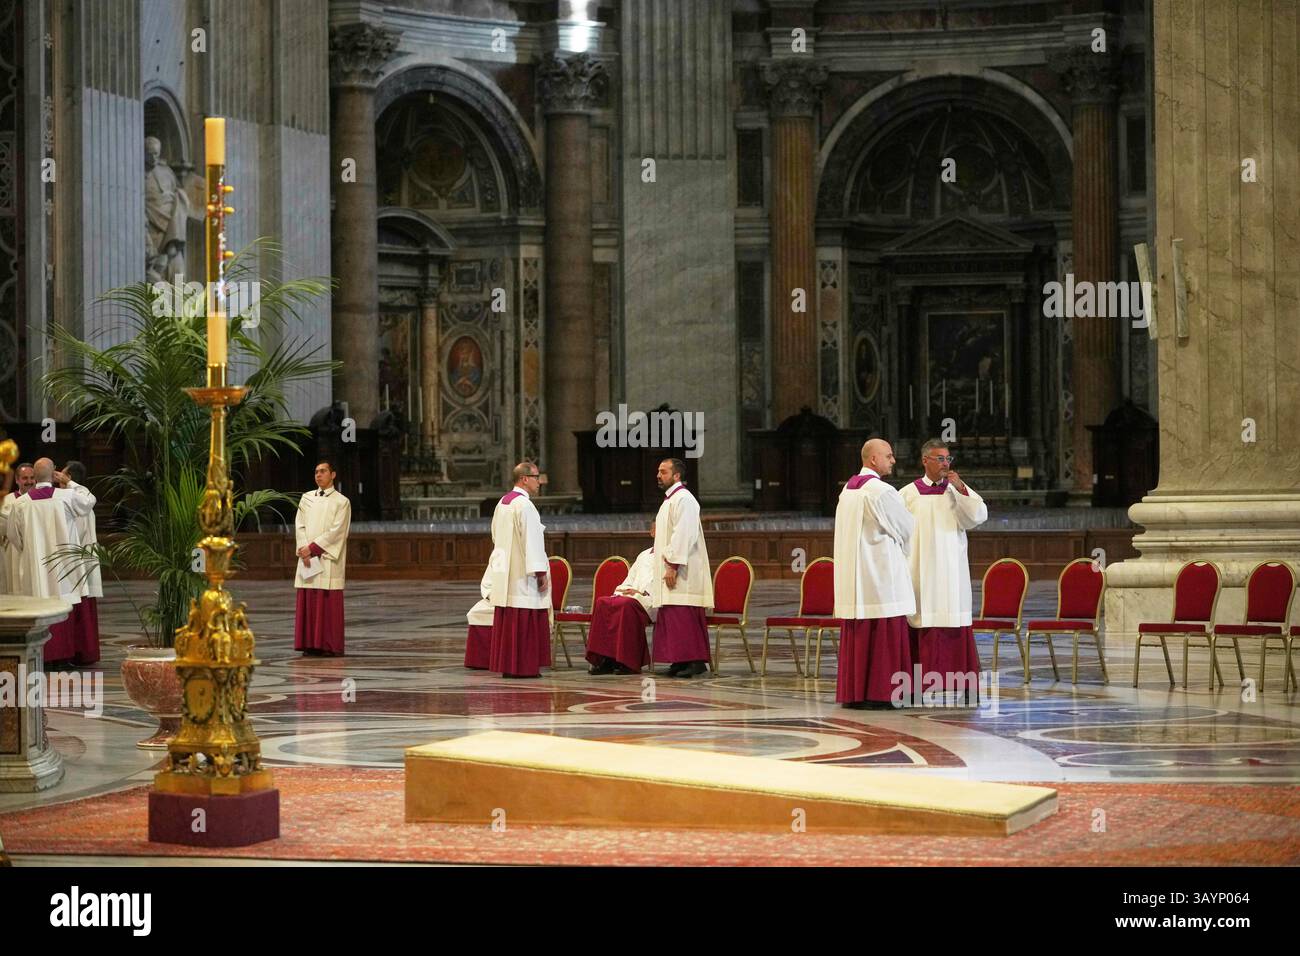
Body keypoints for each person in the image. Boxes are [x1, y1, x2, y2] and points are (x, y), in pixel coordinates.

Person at [900, 440, 988, 701]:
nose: (945, 464)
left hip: (951, 571)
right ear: (925, 460)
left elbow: (978, 516)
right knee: (921, 618)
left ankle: (959, 681)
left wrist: (960, 488)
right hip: (919, 569)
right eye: (940, 459)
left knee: (951, 619)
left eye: (948, 459)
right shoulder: (907, 494)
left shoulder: (956, 491)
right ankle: (919, 682)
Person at [833, 439, 916, 710]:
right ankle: (882, 693)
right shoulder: (881, 491)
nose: (893, 461)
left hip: (856, 578)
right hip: (880, 576)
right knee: (884, 633)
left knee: (860, 633)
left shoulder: (848, 489)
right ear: (873, 460)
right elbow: (906, 527)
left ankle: (856, 693)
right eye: (889, 456)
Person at [8, 459, 99, 666]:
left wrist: (31, 551)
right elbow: (89, 500)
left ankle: (42, 657)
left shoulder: (21, 503)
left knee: (40, 606)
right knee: (63, 605)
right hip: (64, 568)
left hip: (36, 568)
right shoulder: (66, 497)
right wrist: (70, 482)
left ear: (35, 476)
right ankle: (63, 657)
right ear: (53, 474)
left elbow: (14, 537)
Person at [486, 462, 551, 678]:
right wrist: (540, 572)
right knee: (524, 618)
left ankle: (510, 666)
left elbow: (495, 536)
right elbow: (531, 541)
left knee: (510, 619)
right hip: (523, 574)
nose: (539, 481)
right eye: (536, 476)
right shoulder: (524, 505)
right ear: (524, 478)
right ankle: (524, 667)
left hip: (506, 573)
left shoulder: (502, 503)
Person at [650, 458, 713, 678]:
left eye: (663, 472)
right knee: (672, 615)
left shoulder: (685, 499)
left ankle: (695, 661)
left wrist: (673, 565)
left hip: (682, 569)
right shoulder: (670, 500)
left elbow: (683, 535)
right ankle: (679, 659)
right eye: (658, 471)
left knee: (683, 615)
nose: (658, 475)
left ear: (676, 476)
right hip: (673, 566)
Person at [293, 461, 352, 656]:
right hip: (307, 557)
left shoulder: (342, 502)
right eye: (316, 471)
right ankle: (309, 644)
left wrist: (313, 548)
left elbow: (338, 532)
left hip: (327, 558)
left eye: (323, 471)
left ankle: (328, 645)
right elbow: (299, 525)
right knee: (308, 598)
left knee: (327, 599)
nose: (318, 475)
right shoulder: (306, 498)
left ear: (333, 474)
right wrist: (304, 549)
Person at [586, 523, 658, 675]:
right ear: (651, 532)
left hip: (650, 600)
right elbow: (629, 579)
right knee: (602, 603)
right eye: (655, 528)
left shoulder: (670, 556)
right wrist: (625, 590)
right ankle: (605, 659)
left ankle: (627, 662)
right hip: (631, 596)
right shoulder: (643, 555)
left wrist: (639, 593)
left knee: (626, 605)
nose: (658, 531)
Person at [58, 460, 103, 663]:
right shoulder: (71, 497)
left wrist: (68, 483)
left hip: (78, 560)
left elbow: (87, 499)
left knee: (79, 608)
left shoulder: (78, 496)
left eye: (63, 477)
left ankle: (80, 653)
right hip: (74, 560)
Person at [0, 462, 35, 594]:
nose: (29, 481)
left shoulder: (41, 500)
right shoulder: (6, 500)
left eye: (32, 477)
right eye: (25, 478)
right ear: (17, 480)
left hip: (34, 549)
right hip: (13, 551)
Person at [464, 562, 493, 670]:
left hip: (518, 598)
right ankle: (480, 661)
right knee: (476, 613)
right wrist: (493, 595)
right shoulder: (498, 554)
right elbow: (487, 583)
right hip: (495, 598)